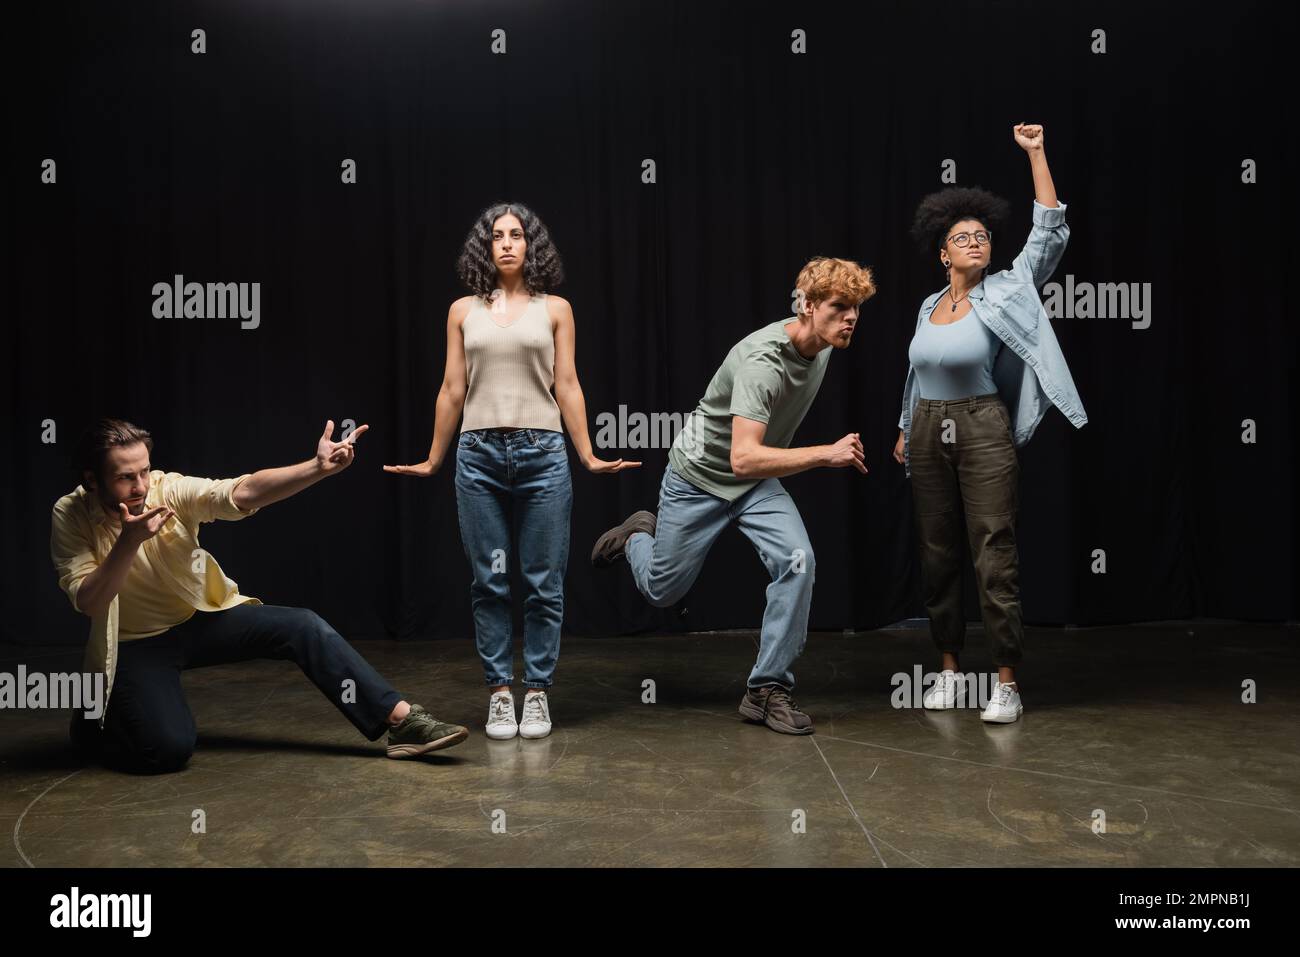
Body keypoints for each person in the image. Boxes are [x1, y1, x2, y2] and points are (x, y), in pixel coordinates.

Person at [51, 418, 468, 774]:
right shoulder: (69, 515)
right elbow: (89, 601)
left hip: (199, 621)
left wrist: (317, 468)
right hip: (135, 646)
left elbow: (241, 492)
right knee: (168, 749)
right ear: (91, 479)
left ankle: (401, 721)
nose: (140, 485)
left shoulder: (167, 489)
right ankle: (93, 726)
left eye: (144, 470)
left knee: (300, 625)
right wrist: (128, 542)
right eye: (125, 476)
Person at [385, 202, 638, 741]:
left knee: (543, 583)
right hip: (477, 456)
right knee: (489, 581)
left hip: (543, 454)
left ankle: (538, 691)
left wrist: (589, 455)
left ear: (531, 246)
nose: (506, 243)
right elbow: (452, 389)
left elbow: (566, 384)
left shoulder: (556, 310)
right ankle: (501, 692)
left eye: (516, 235)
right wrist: (433, 458)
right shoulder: (461, 311)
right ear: (485, 246)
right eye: (496, 235)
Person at [592, 257, 876, 735]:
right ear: (807, 307)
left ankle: (766, 689)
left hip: (753, 484)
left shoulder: (824, 344)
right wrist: (826, 454)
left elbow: (749, 467)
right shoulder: (763, 363)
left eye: (856, 308)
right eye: (839, 306)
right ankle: (640, 533)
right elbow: (744, 457)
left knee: (798, 560)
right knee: (663, 591)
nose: (851, 318)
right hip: (698, 478)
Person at [892, 123, 1088, 724]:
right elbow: (917, 373)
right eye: (962, 237)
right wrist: (904, 426)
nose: (975, 241)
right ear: (943, 252)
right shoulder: (929, 305)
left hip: (982, 427)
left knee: (992, 549)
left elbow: (1049, 227)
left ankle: (1005, 683)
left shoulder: (1010, 289)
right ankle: (950, 672)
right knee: (936, 550)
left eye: (981, 235)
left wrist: (1037, 154)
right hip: (927, 428)